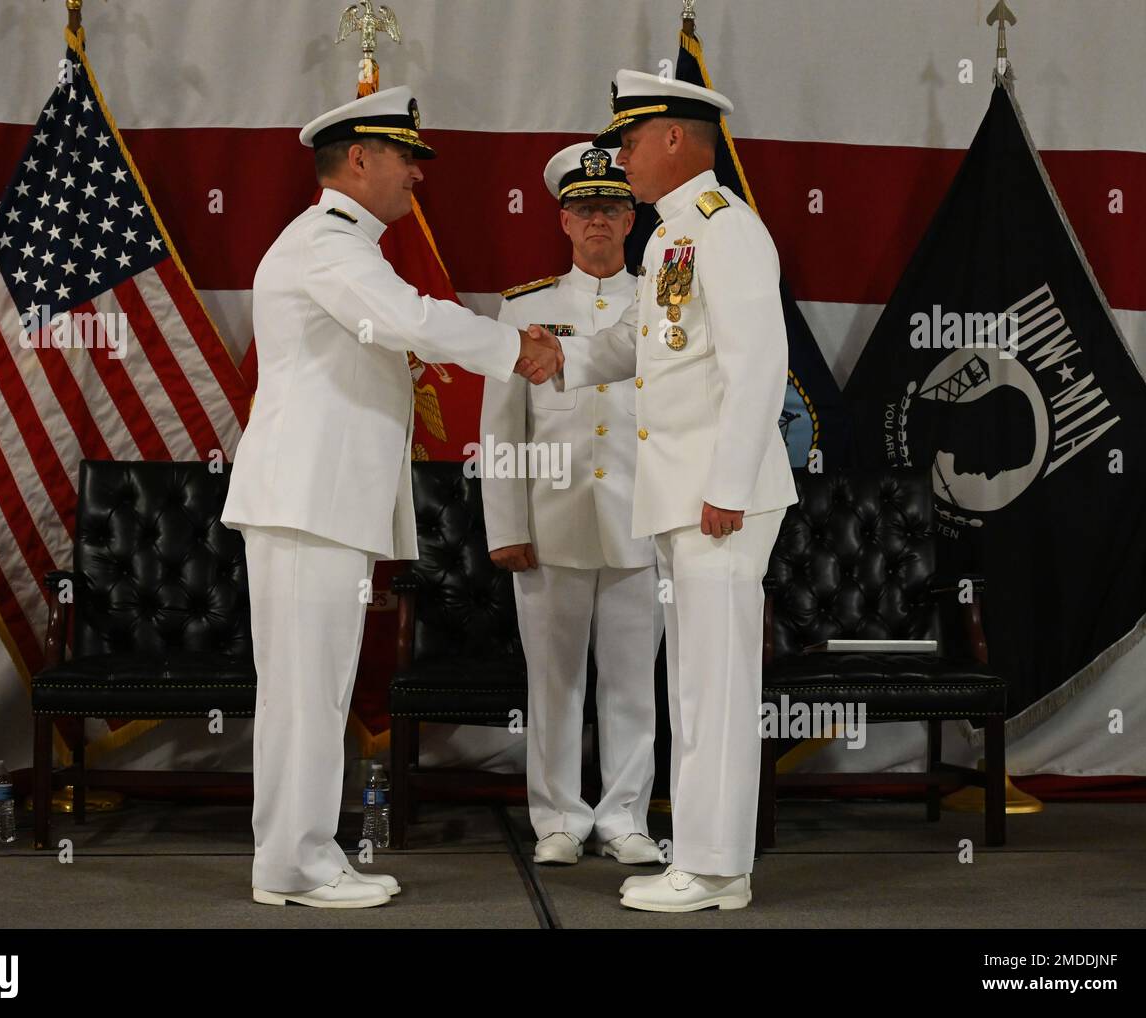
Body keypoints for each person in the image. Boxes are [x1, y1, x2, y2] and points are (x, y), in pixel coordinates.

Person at [220, 86, 561, 909]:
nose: (417, 172)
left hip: (318, 503)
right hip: (308, 502)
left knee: (314, 686)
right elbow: (410, 320)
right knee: (307, 688)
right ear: (360, 159)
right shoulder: (329, 245)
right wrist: (516, 346)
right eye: (405, 156)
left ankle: (299, 854)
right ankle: (295, 863)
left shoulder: (338, 243)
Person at [525, 70, 798, 912]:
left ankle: (714, 866)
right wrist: (560, 356)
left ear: (675, 138)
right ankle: (713, 860)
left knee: (715, 685)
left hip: (721, 496)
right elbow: (649, 345)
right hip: (686, 497)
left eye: (631, 143)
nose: (622, 159)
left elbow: (759, 368)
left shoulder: (727, 229)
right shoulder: (670, 237)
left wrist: (726, 486)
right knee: (695, 683)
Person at [481, 143, 664, 867]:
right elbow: (500, 424)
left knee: (630, 684)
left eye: (612, 207)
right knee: (553, 683)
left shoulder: (661, 299)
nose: (598, 220)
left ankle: (624, 818)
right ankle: (558, 818)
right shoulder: (524, 307)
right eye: (585, 208)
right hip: (550, 522)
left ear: (631, 218)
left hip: (638, 519)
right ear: (562, 219)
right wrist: (506, 527)